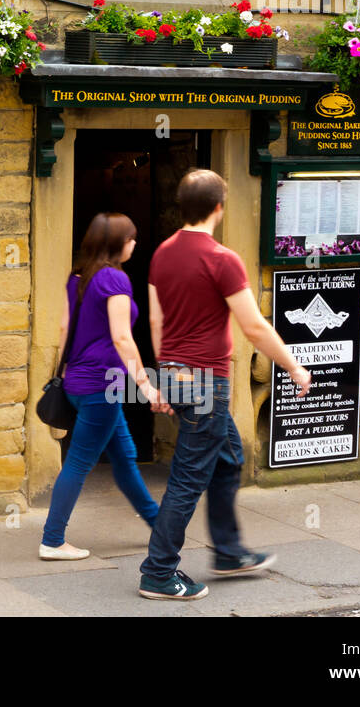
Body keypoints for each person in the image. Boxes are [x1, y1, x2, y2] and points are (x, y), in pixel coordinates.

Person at [137, 169, 312, 599]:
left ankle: (229, 552)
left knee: (229, 456)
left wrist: (163, 377)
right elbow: (254, 326)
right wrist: (293, 366)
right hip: (205, 383)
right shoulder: (222, 259)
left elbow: (156, 320)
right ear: (219, 207)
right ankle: (158, 571)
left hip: (177, 375)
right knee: (186, 478)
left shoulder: (161, 253)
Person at [40, 212, 169, 561]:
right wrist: (146, 385)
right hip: (101, 384)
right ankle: (52, 540)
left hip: (80, 382)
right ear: (116, 243)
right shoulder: (114, 279)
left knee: (125, 457)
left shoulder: (78, 276)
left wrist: (63, 372)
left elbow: (65, 329)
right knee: (79, 462)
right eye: (131, 238)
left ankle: (161, 527)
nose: (135, 243)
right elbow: (122, 337)